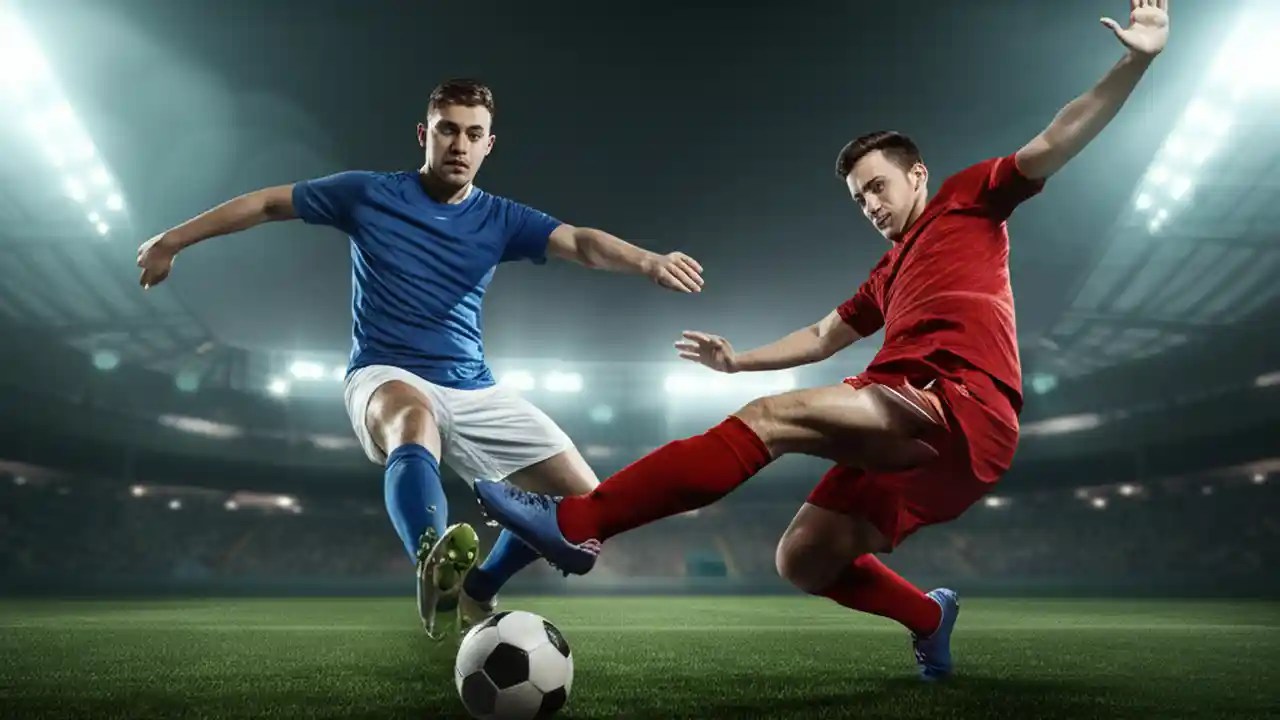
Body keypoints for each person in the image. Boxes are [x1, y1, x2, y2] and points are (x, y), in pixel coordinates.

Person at [476, 0, 1170, 679]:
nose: (870, 205)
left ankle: (580, 521)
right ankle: (929, 618)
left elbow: (1056, 139)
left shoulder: (969, 197)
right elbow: (822, 334)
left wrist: (1131, 65)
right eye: (859, 199)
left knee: (771, 420)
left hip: (958, 406)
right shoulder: (886, 273)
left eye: (877, 187)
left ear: (917, 174)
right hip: (914, 434)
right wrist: (736, 360)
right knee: (803, 559)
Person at [135, 78, 705, 639]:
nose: (459, 145)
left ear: (489, 145)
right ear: (423, 134)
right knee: (414, 418)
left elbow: (580, 242)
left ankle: (478, 588)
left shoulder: (501, 218)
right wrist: (172, 240)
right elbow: (266, 203)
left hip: (474, 386)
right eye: (447, 130)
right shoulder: (368, 193)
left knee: (588, 508)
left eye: (472, 134)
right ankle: (433, 563)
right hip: (386, 374)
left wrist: (649, 260)